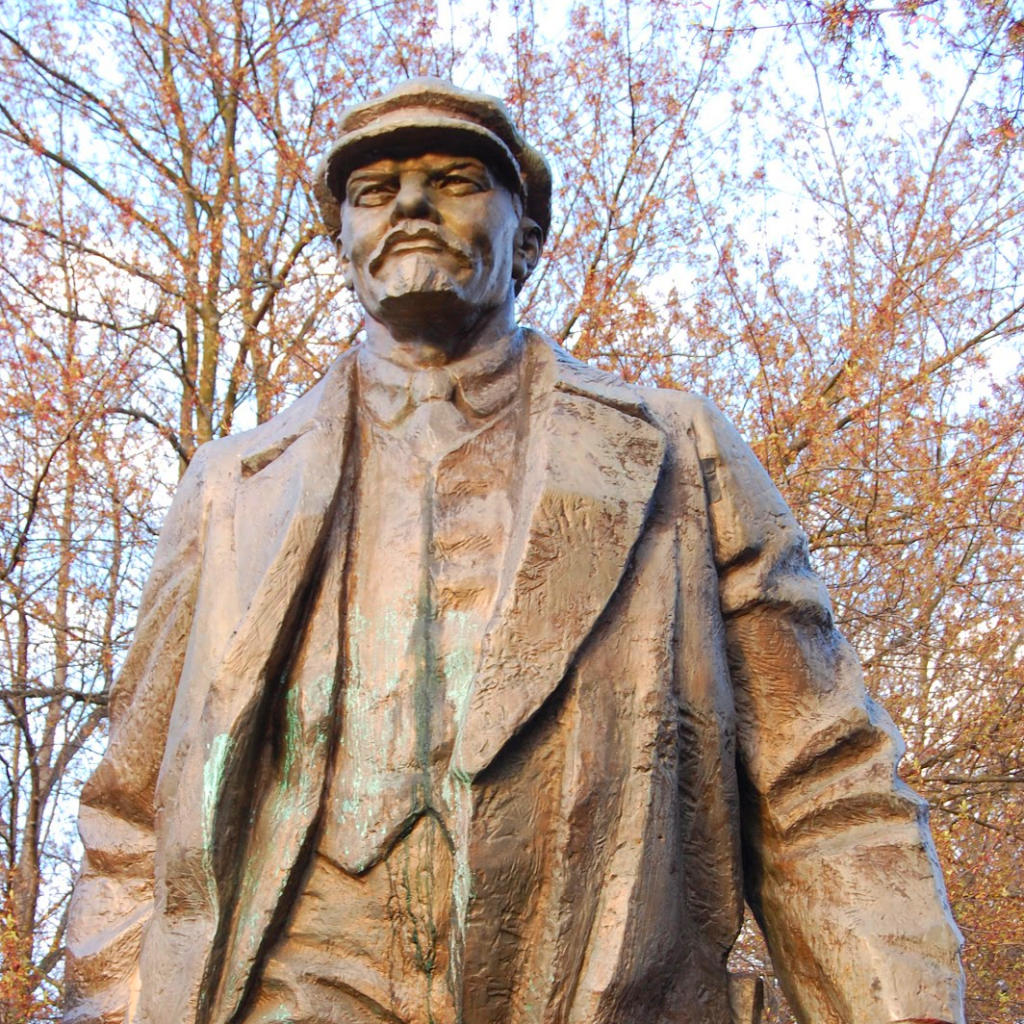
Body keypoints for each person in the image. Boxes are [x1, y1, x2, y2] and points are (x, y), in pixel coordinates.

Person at [64, 78, 966, 1024]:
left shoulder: (674, 454)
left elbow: (824, 785)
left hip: (591, 992)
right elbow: (131, 819)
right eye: (374, 192)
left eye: (455, 179)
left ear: (527, 239)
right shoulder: (229, 488)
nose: (410, 204)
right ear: (342, 250)